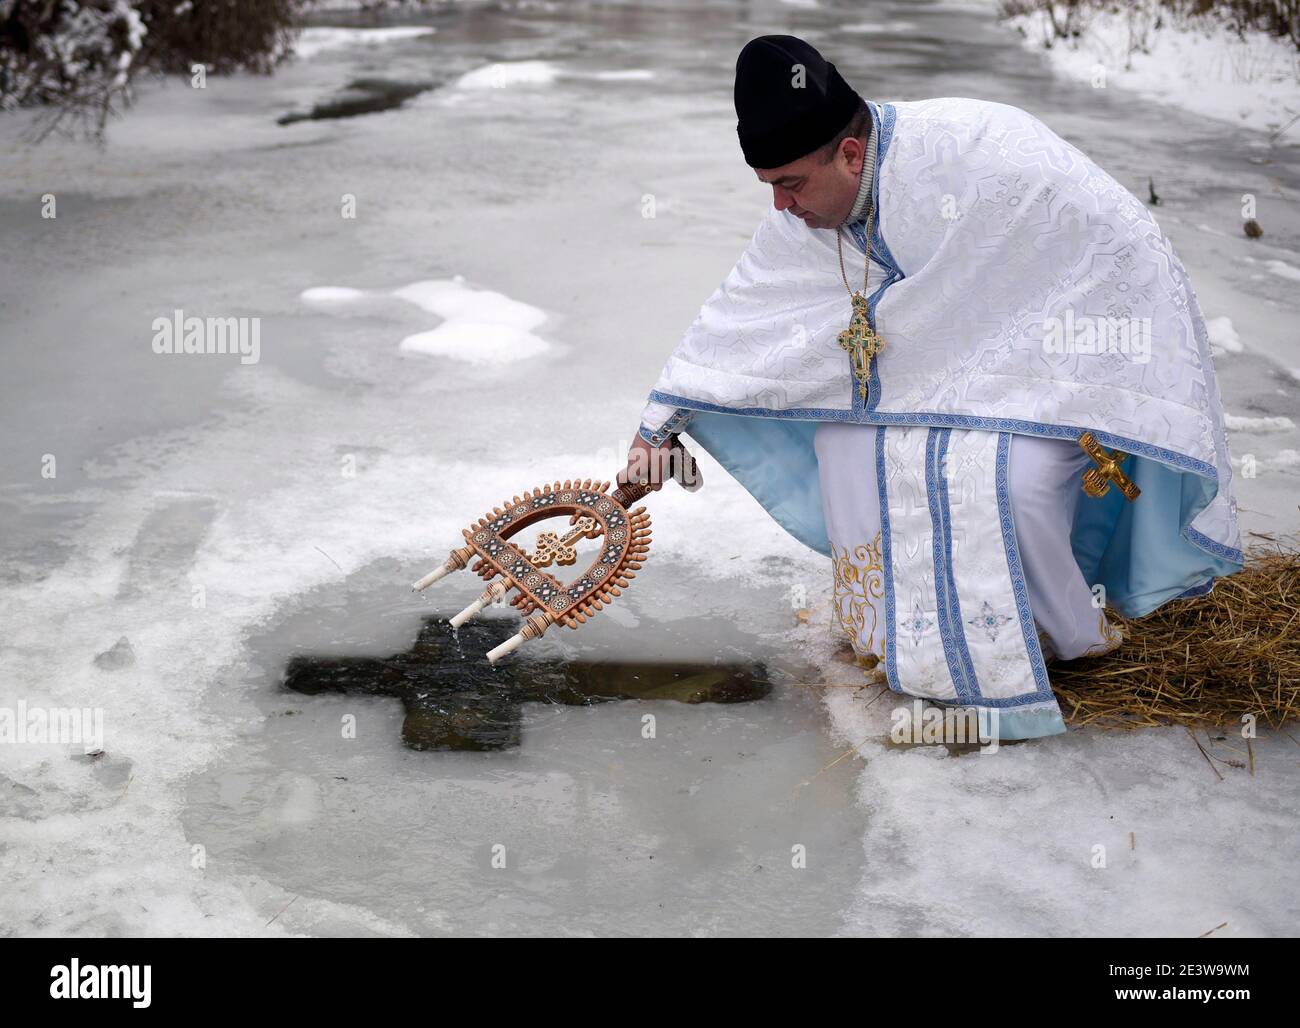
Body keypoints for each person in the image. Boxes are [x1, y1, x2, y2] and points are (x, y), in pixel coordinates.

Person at [618, 34, 1242, 741]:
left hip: (1065, 365)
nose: (782, 206)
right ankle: (907, 644)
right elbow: (746, 311)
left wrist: (1035, 369)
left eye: (789, 184)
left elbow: (1116, 257)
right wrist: (656, 426)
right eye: (771, 188)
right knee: (847, 446)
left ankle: (1059, 645)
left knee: (1010, 482)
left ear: (849, 155)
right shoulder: (813, 204)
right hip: (963, 380)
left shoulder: (983, 155)